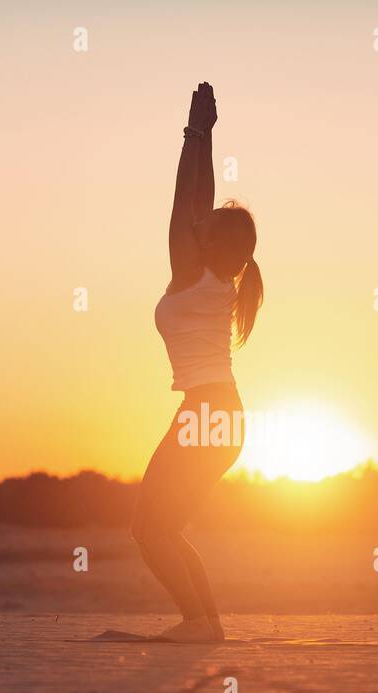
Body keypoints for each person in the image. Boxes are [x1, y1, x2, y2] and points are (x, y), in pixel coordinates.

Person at [131, 82, 264, 643]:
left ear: (211, 242)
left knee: (147, 527)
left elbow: (183, 196)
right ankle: (206, 625)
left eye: (206, 223)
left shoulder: (192, 271)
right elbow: (195, 201)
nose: (195, 221)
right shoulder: (221, 278)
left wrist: (197, 134)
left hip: (208, 413)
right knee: (164, 527)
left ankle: (197, 624)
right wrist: (202, 135)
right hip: (222, 417)